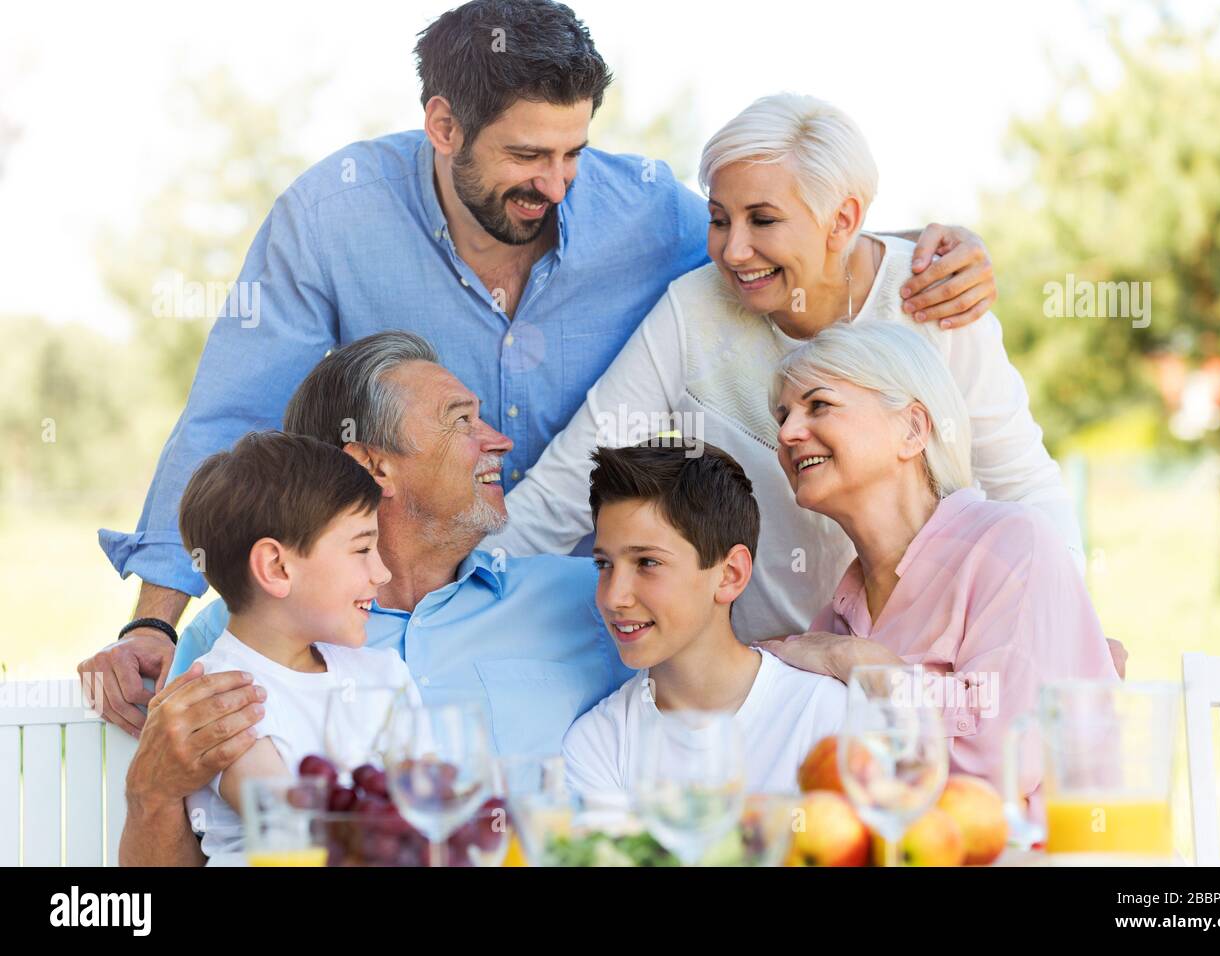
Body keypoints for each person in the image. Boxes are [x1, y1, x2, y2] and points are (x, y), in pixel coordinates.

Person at [84, 0, 1000, 736]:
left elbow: (781, 236)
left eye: (573, 150)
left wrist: (919, 247)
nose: (557, 184)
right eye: (526, 154)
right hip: (404, 604)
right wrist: (155, 618)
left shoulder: (643, 212)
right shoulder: (335, 217)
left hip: (589, 616)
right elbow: (229, 419)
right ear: (443, 125)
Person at [484, 92, 1079, 641]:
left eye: (762, 220)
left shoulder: (934, 297)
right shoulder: (692, 312)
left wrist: (1075, 630)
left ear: (842, 220)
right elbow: (566, 486)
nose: (733, 251)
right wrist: (447, 608)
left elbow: (1022, 484)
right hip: (772, 679)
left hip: (935, 657)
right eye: (719, 219)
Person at [117, 331, 630, 866]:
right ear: (372, 466)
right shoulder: (231, 639)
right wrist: (149, 793)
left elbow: (708, 693)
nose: (499, 441)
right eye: (462, 421)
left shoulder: (589, 597)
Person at [758, 321, 1118, 811]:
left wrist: (868, 667)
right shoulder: (837, 618)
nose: (787, 433)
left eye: (818, 405)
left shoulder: (1011, 544)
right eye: (782, 416)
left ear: (912, 429)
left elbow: (995, 769)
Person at [174, 430, 417, 858]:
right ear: (276, 567)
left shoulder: (384, 674)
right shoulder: (222, 701)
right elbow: (297, 832)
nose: (382, 573)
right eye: (362, 549)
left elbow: (433, 809)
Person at [562, 441, 845, 797]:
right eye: (604, 564)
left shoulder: (824, 713)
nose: (613, 597)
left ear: (729, 575)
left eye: (647, 563)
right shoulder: (599, 743)